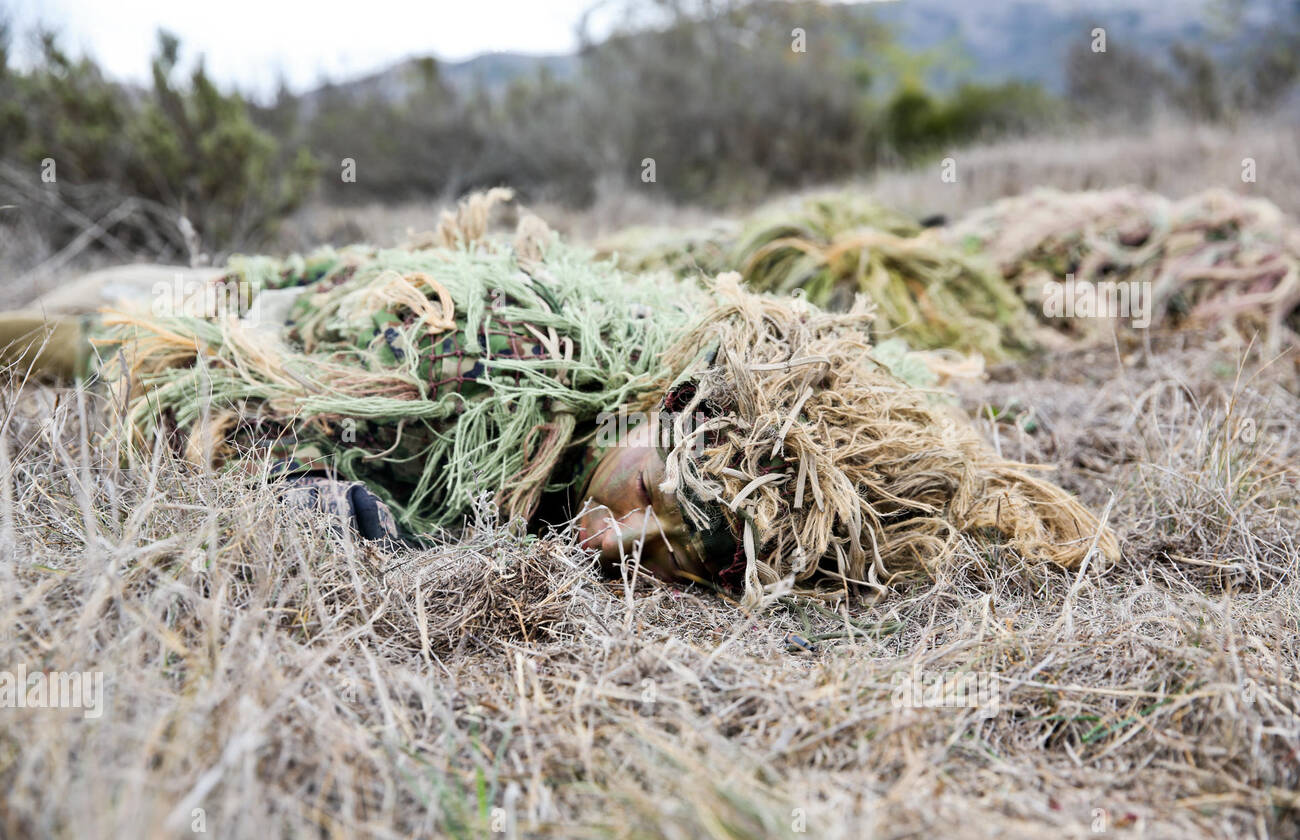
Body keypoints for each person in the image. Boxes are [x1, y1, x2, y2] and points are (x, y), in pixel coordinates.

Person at [2, 192, 1119, 606]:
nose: (617, 533)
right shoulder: (483, 371)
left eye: (684, 557)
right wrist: (310, 494)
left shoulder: (778, 467)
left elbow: (896, 421)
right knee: (82, 320)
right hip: (285, 310)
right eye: (649, 499)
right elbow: (224, 384)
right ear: (662, 407)